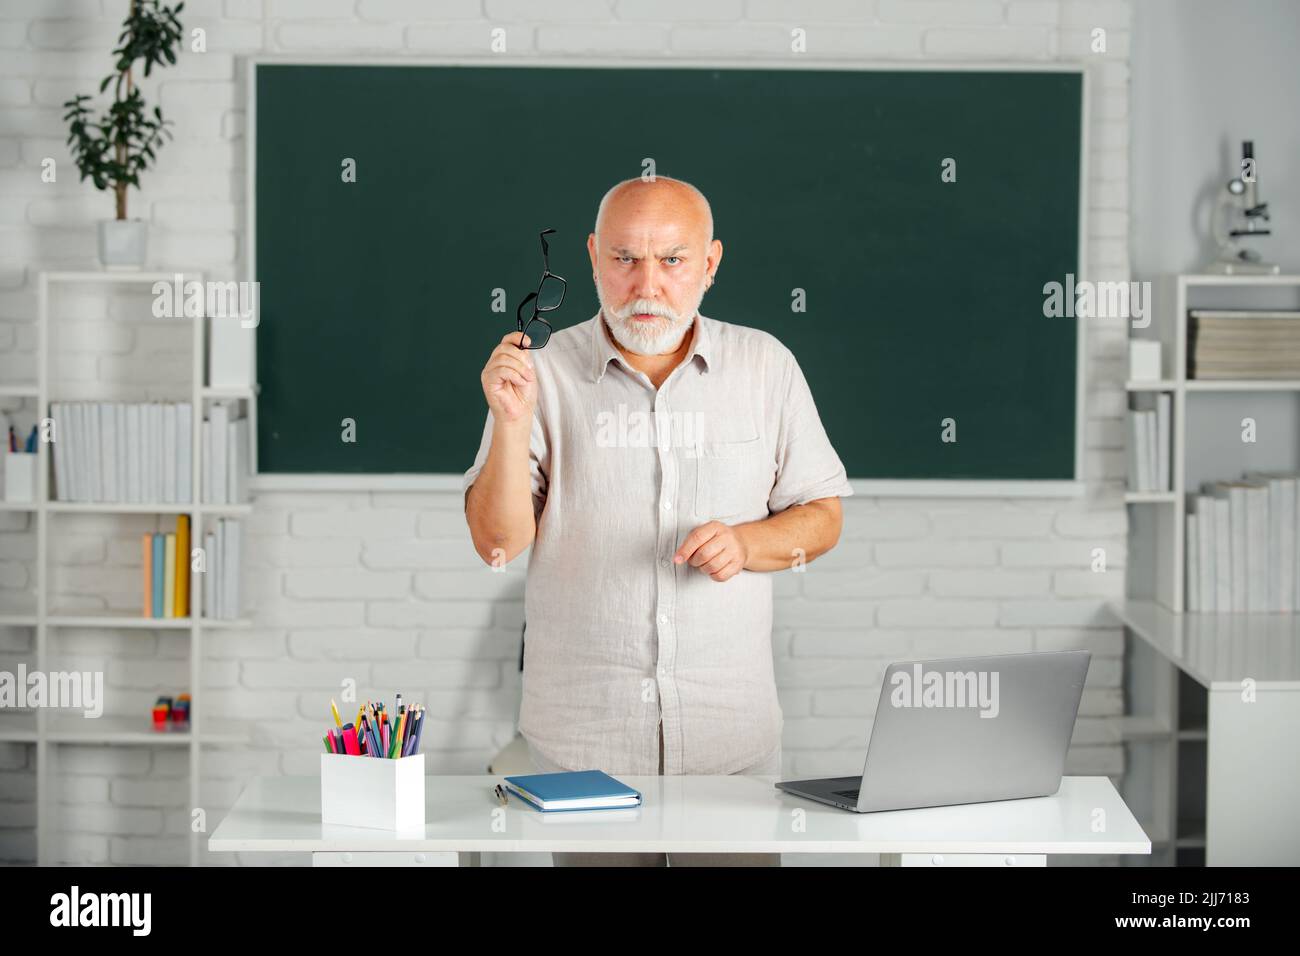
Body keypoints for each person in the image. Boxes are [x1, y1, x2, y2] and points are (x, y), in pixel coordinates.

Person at [464, 175, 853, 865]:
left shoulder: (766, 367)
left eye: (672, 260)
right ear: (590, 257)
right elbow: (498, 543)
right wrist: (510, 425)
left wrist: (749, 541)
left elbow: (823, 515)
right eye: (624, 259)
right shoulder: (540, 375)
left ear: (710, 263)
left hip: (730, 750)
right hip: (582, 754)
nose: (647, 284)